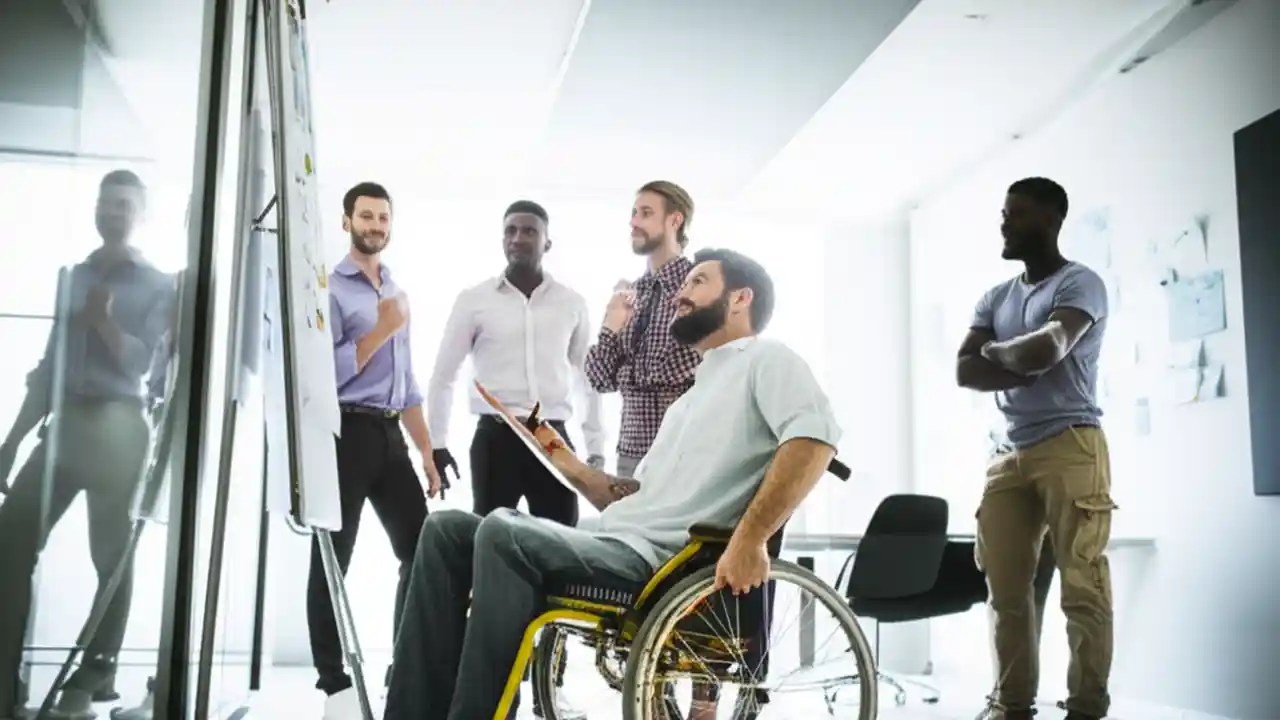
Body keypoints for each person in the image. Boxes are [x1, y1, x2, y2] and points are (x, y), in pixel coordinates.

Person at [385, 248, 842, 720]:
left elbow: (815, 440)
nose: (681, 294)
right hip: (618, 539)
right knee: (444, 530)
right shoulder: (694, 394)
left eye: (698, 283)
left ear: (740, 298)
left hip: (666, 564)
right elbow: (628, 499)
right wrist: (558, 455)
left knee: (502, 531)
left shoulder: (768, 359)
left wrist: (751, 539)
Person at [0, 170, 176, 720]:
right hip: (65, 426)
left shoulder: (160, 283)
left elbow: (146, 365)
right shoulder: (72, 276)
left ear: (141, 214)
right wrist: (11, 443)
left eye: (125, 204)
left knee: (110, 560)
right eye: (107, 203)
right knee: (9, 543)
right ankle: (7, 686)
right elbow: (50, 366)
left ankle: (93, 679)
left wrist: (102, 323)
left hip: (120, 427)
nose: (114, 212)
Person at [956, 177, 1114, 720]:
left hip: (1071, 443)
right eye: (1003, 212)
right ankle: (1011, 707)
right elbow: (962, 370)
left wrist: (996, 352)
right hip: (1007, 457)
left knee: (1082, 588)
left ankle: (1087, 709)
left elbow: (1050, 347)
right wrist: (1014, 358)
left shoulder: (1081, 284)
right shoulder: (996, 296)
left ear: (1050, 220)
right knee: (1005, 595)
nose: (1004, 222)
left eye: (1016, 214)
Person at [309, 182, 442, 718]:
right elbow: (329, 371)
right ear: (347, 222)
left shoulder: (395, 290)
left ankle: (403, 663)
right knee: (332, 558)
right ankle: (332, 682)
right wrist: (385, 328)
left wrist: (427, 452)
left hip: (391, 437)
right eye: (367, 216)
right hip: (347, 434)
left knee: (421, 552)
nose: (376, 226)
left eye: (384, 218)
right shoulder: (329, 289)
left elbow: (406, 385)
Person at [427, 200, 605, 528]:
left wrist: (595, 449)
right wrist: (436, 444)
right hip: (496, 441)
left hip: (554, 440)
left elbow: (587, 379)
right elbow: (443, 375)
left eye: (528, 231)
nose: (517, 238)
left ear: (546, 242)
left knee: (563, 543)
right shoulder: (474, 300)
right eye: (510, 231)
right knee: (489, 543)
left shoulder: (572, 303)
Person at [585, 180, 701, 477]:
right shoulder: (632, 294)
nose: (634, 222)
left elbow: (667, 372)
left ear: (675, 220)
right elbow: (600, 379)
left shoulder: (698, 286)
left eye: (646, 213)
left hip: (680, 454)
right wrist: (611, 325)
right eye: (634, 213)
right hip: (629, 455)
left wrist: (625, 371)